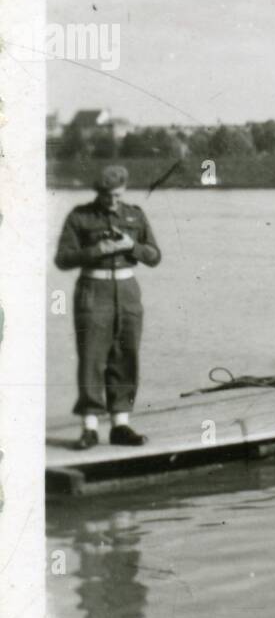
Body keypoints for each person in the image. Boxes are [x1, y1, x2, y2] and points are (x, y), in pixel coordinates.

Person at [54, 164, 161, 450]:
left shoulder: (135, 215)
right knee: (92, 357)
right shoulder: (80, 216)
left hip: (127, 292)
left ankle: (120, 425)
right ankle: (89, 428)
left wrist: (131, 246)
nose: (113, 201)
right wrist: (95, 251)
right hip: (93, 291)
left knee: (126, 356)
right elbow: (62, 259)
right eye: (107, 196)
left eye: (117, 195)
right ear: (98, 193)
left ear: (123, 190)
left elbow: (154, 256)